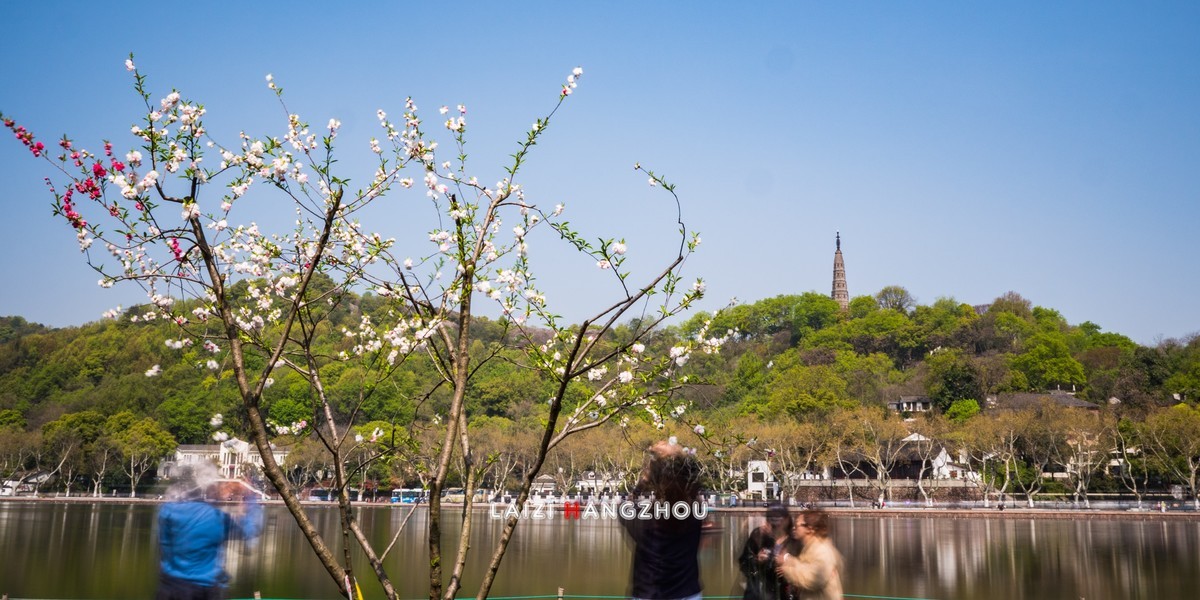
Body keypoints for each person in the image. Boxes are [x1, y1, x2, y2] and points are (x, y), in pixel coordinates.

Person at [156, 465, 263, 600]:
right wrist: (250, 498)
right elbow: (251, 531)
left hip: (169, 588)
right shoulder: (217, 518)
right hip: (205, 590)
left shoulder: (166, 512)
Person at [621, 439, 705, 600]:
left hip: (647, 594)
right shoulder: (693, 514)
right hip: (687, 593)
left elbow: (626, 507)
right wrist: (677, 453)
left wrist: (641, 484)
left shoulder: (643, 520)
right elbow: (693, 484)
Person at [774, 509, 843, 600]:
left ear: (810, 529)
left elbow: (813, 578)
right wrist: (787, 559)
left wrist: (787, 570)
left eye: (797, 525)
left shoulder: (822, 550)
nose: (794, 528)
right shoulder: (811, 548)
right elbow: (806, 565)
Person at [738, 503, 800, 600]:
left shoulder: (796, 541)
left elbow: (808, 569)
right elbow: (744, 563)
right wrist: (757, 560)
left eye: (779, 518)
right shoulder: (758, 535)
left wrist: (789, 571)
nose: (776, 522)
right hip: (761, 594)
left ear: (787, 519)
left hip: (786, 595)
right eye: (772, 517)